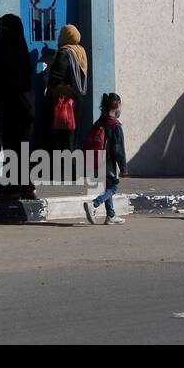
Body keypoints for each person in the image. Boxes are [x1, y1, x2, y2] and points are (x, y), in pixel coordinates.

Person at [0, 14, 35, 197]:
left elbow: (2, 78)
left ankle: (14, 186)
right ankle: (25, 186)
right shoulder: (20, 50)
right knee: (21, 148)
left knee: (13, 147)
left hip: (12, 107)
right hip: (25, 106)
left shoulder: (6, 52)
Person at [45, 24, 88, 176]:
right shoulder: (80, 52)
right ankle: (72, 172)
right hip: (77, 102)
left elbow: (56, 80)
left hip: (64, 103)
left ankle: (62, 173)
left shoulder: (64, 54)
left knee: (61, 138)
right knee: (71, 138)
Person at [82, 92, 127, 225]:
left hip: (95, 159)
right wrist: (123, 168)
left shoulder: (99, 122)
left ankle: (110, 216)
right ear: (117, 105)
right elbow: (119, 149)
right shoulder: (114, 125)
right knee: (113, 187)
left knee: (107, 186)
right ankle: (94, 204)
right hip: (107, 161)